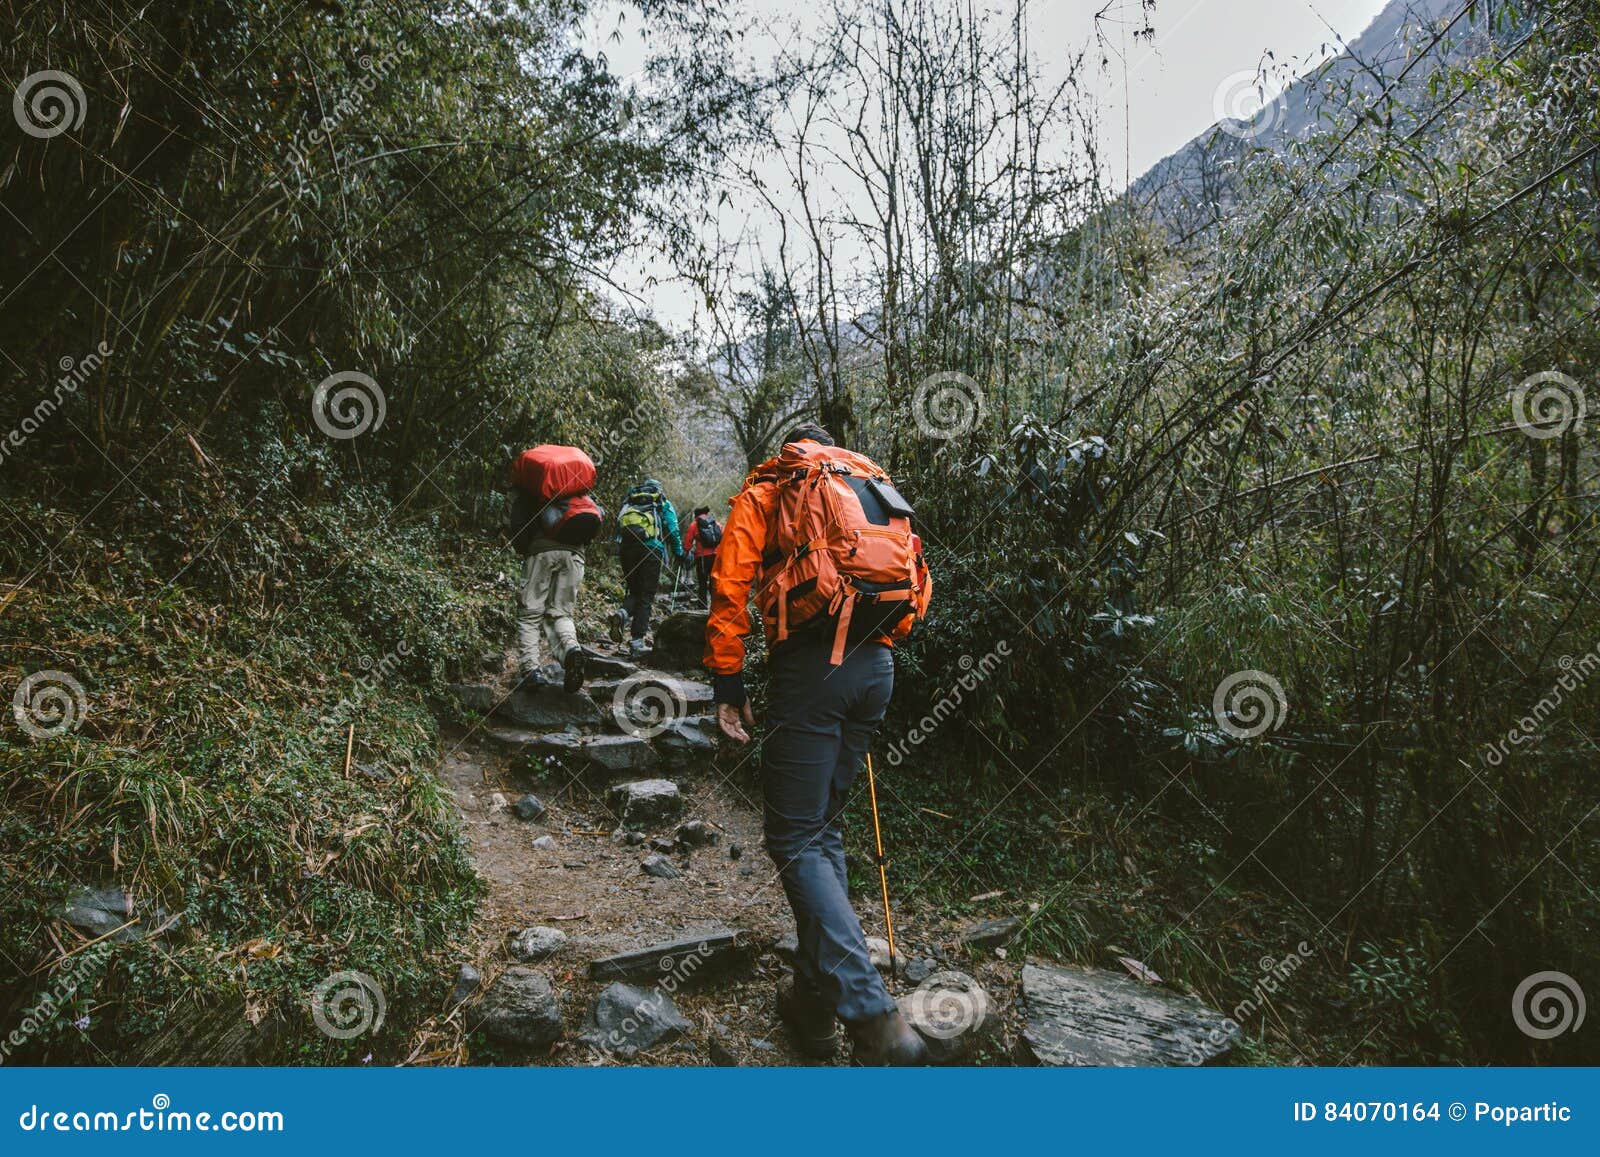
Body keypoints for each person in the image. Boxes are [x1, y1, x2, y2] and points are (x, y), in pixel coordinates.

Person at [704, 422, 933, 1065]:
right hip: (878, 667)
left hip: (813, 668)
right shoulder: (871, 486)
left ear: (790, 448)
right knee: (822, 833)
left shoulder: (775, 485)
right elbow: (915, 579)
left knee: (795, 837)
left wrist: (727, 679)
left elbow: (731, 580)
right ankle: (811, 1004)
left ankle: (875, 1018)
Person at [506, 444, 603, 694]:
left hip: (541, 552)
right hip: (575, 556)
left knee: (530, 613)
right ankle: (571, 651)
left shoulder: (530, 493)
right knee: (561, 613)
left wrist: (527, 549)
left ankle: (530, 671)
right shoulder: (580, 494)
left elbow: (518, 525)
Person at [609, 478, 683, 656]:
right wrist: (679, 553)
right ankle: (637, 642)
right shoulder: (662, 502)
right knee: (646, 596)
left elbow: (618, 527)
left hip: (627, 550)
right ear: (658, 490)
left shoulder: (630, 501)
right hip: (650, 550)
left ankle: (622, 613)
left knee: (635, 591)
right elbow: (673, 529)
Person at [682, 505, 721, 607]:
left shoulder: (694, 524)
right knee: (714, 581)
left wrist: (685, 553)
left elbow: (687, 542)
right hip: (716, 556)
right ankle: (715, 606)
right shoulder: (715, 523)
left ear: (696, 515)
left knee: (702, 582)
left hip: (702, 557)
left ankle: (702, 605)